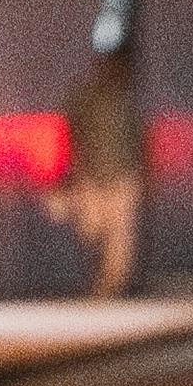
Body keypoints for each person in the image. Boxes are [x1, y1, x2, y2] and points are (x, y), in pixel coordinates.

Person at [63, 32, 146, 299]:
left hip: (122, 177)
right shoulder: (86, 98)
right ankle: (96, 282)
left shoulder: (127, 101)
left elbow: (137, 141)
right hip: (93, 177)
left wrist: (142, 173)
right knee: (92, 229)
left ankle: (109, 289)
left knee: (121, 239)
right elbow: (73, 134)